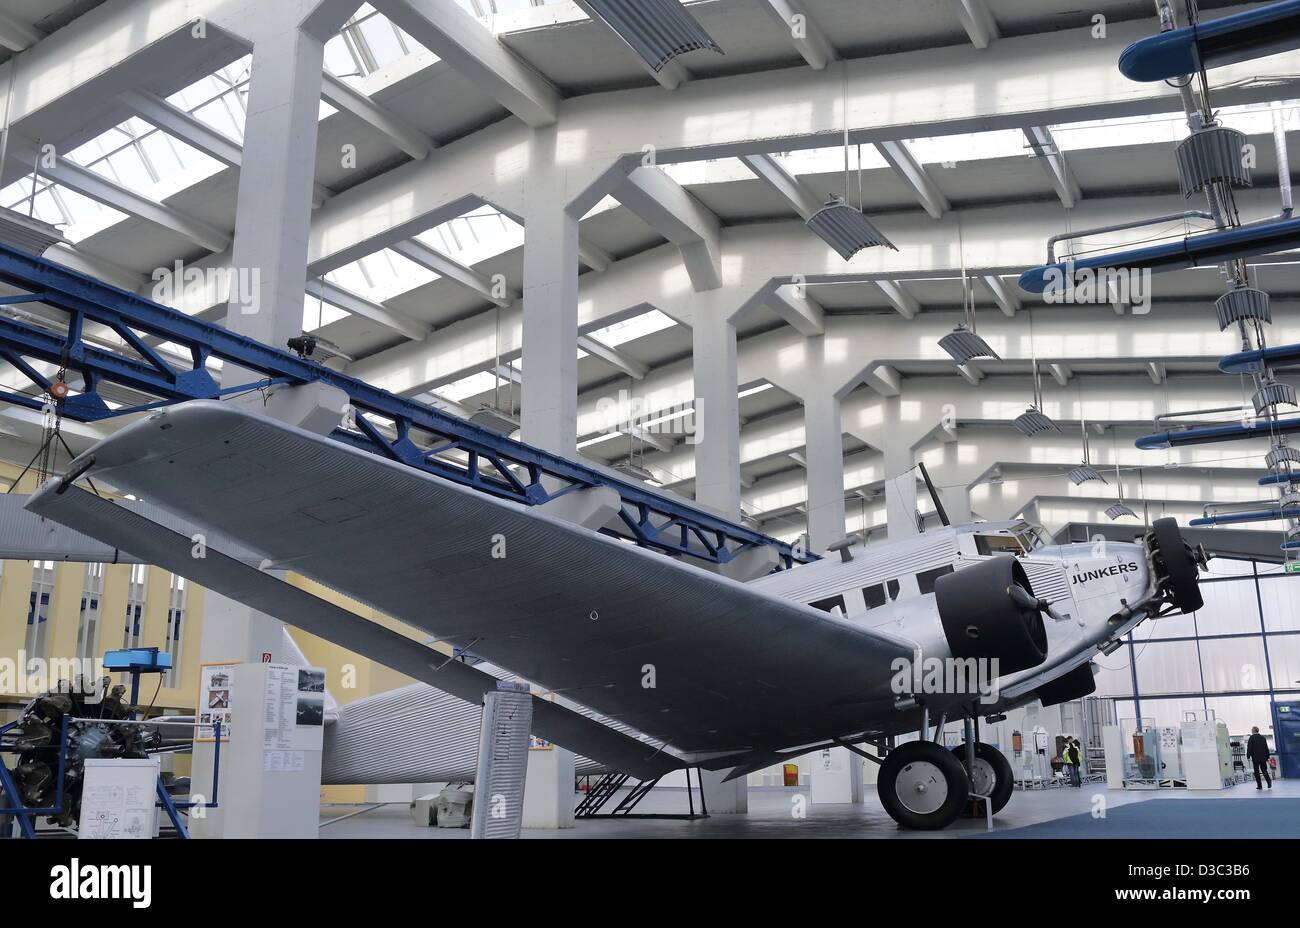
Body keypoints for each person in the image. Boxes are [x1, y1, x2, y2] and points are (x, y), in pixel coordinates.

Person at [1246, 726, 1272, 790]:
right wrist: (1268, 757)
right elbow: (1266, 748)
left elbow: (1249, 748)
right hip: (1263, 757)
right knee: (1264, 770)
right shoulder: (1263, 738)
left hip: (1255, 758)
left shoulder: (1251, 738)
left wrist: (1248, 756)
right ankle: (1269, 781)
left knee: (1256, 772)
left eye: (1252, 729)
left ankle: (1259, 785)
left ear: (1254, 730)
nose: (1251, 730)